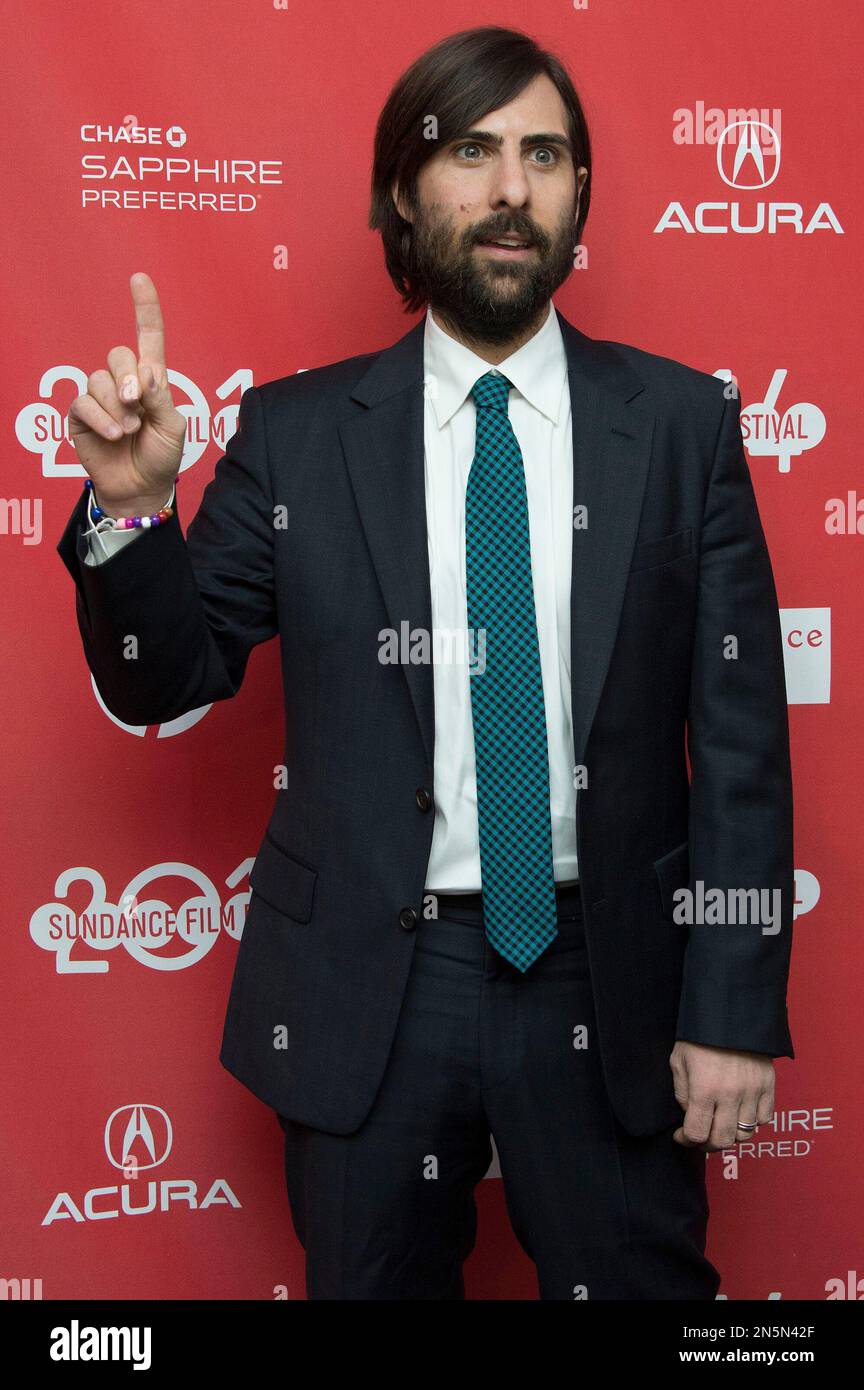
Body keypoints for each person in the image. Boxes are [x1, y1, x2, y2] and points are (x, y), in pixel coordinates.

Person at [57, 26, 794, 1300]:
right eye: (472, 151)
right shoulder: (295, 437)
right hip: (369, 991)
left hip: (606, 973)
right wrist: (130, 514)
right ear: (408, 192)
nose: (511, 189)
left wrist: (729, 1005)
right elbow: (159, 678)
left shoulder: (680, 425)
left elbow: (739, 742)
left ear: (580, 197)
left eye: (544, 155)